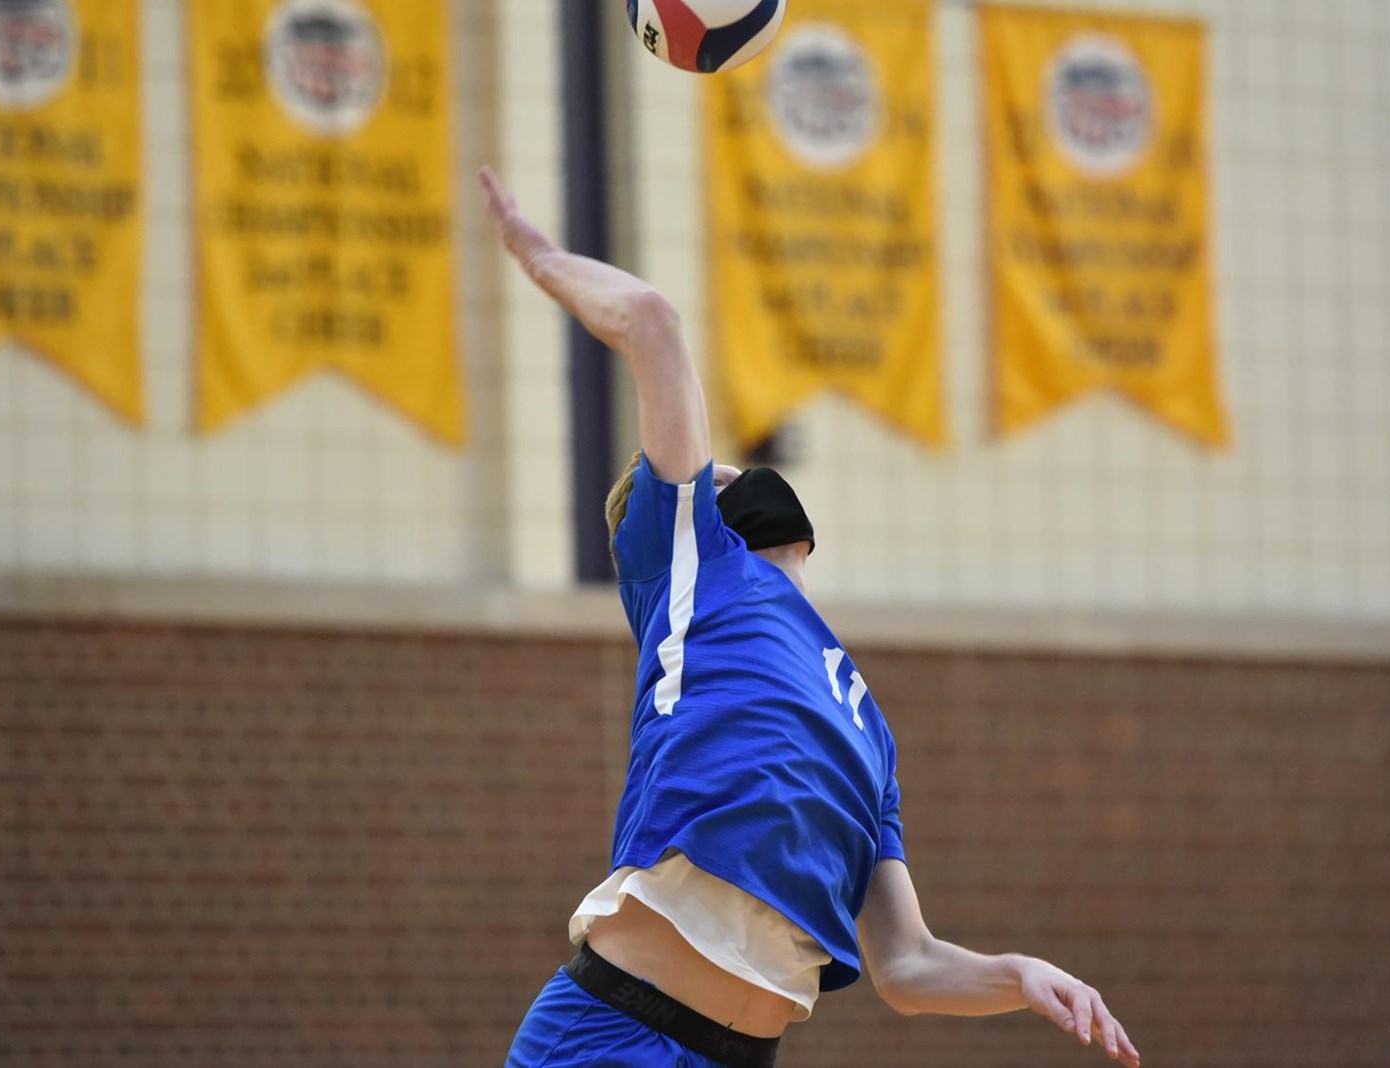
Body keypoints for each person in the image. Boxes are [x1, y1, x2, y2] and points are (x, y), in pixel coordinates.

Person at [483, 166, 1141, 1068]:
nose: (728, 478)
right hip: (610, 1036)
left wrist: (1016, 973)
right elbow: (651, 321)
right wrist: (540, 254)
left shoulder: (868, 728)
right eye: (710, 479)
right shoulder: (694, 564)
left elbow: (905, 966)